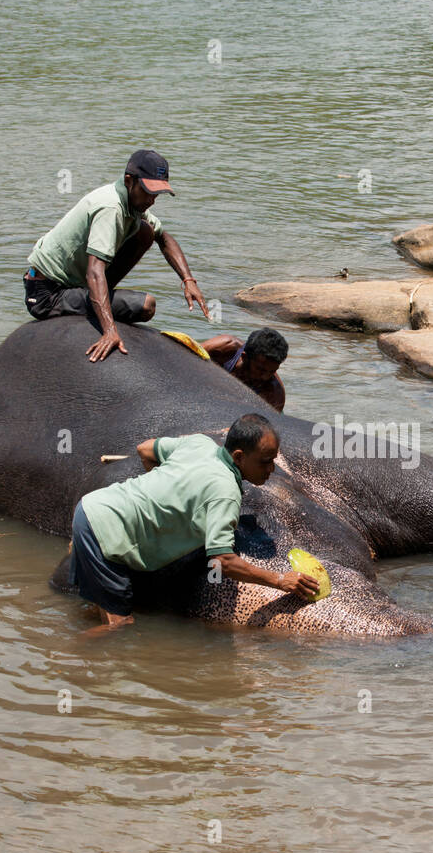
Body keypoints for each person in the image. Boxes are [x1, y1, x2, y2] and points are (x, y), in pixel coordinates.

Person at [69, 413, 319, 632]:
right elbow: (222, 561)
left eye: (274, 460)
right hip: (103, 529)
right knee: (120, 628)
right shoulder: (225, 492)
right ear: (240, 457)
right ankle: (59, 654)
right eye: (265, 461)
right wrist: (279, 580)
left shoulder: (199, 443)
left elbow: (144, 449)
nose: (272, 469)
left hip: (93, 507)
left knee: (97, 613)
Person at [23, 148, 210, 363]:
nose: (152, 200)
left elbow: (164, 238)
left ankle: (97, 299)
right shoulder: (111, 207)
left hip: (74, 283)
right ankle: (97, 305)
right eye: (148, 191)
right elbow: (95, 271)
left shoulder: (133, 205)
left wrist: (188, 280)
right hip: (49, 293)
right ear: (129, 181)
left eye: (156, 194)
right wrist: (110, 330)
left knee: (145, 231)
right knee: (147, 305)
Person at [202, 327, 288, 411]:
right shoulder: (225, 348)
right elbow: (189, 357)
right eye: (260, 369)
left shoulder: (274, 395)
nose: (265, 377)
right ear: (244, 357)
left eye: (272, 371)